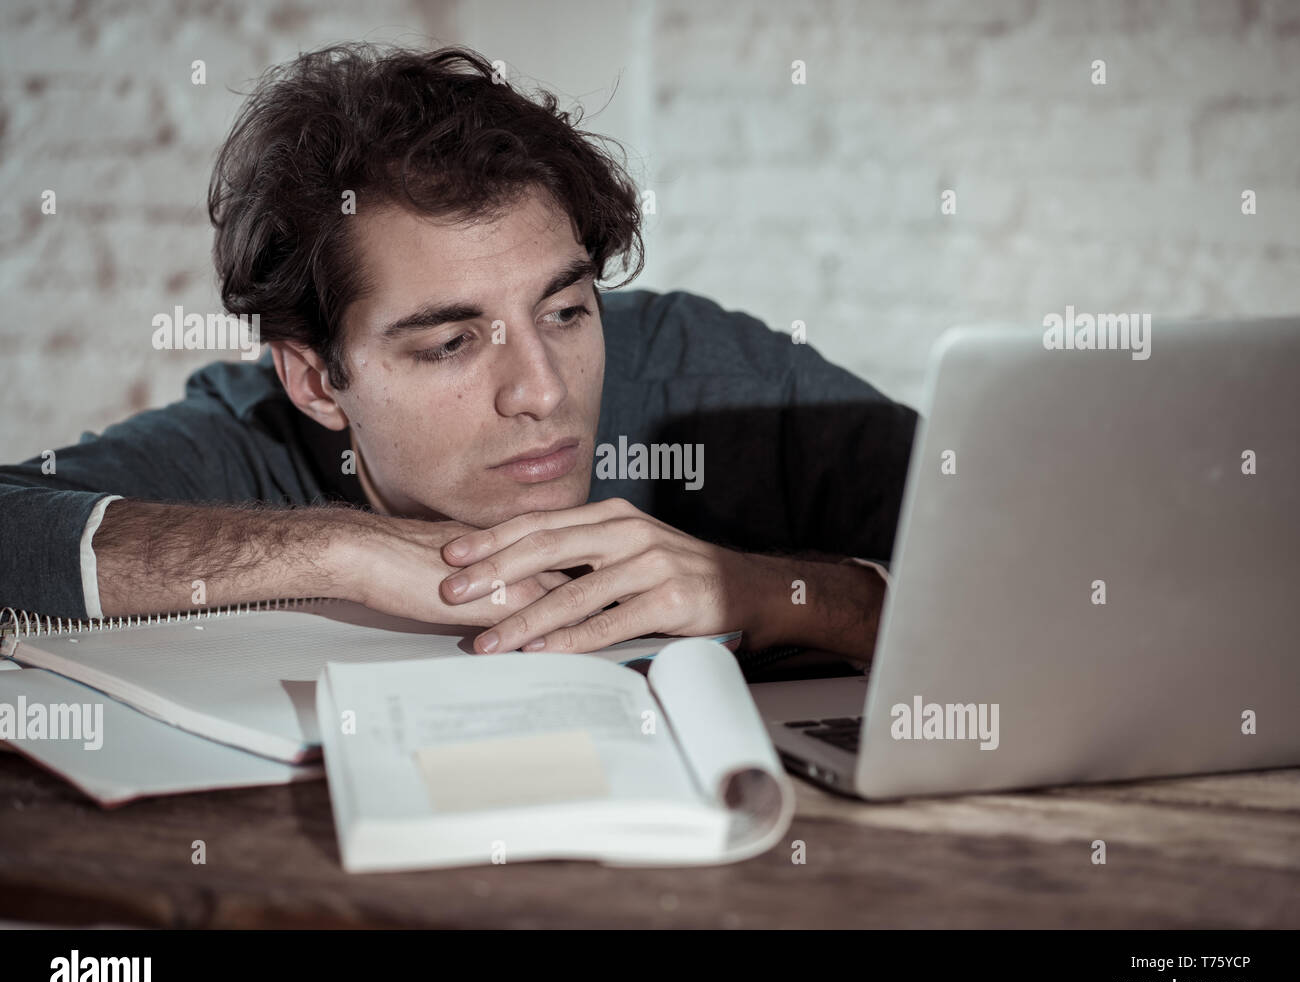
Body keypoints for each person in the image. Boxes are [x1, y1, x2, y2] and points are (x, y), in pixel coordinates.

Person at [0, 44, 916, 665]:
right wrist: (346, 553)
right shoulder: (249, 442)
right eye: (450, 342)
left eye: (564, 310)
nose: (541, 391)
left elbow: (1034, 555)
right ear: (320, 381)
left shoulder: (712, 376)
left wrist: (766, 591)